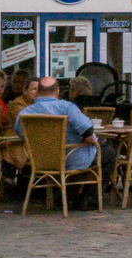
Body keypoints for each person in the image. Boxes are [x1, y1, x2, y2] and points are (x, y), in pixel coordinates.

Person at [19, 76, 113, 204]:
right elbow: (87, 129)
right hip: (70, 158)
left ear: (39, 91)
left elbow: (21, 134)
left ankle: (67, 195)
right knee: (107, 152)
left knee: (89, 156)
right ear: (57, 91)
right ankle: (89, 199)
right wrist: (90, 140)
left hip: (42, 161)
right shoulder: (67, 107)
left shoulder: (25, 113)